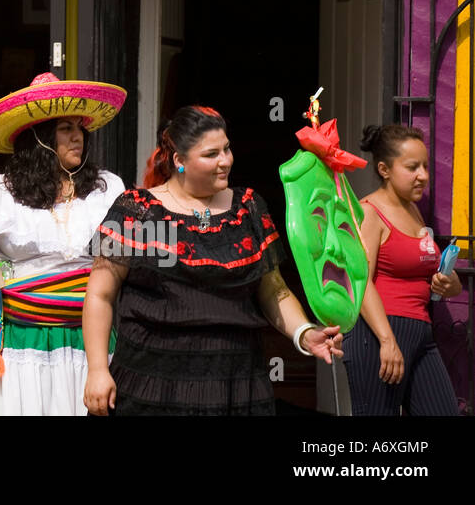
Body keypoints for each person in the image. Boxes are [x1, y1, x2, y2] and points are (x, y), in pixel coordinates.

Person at [82, 105, 343, 415]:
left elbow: (274, 291)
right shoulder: (140, 211)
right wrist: (98, 370)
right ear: (179, 161)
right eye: (211, 154)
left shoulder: (248, 208)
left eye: (227, 149)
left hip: (235, 382)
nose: (225, 161)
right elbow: (100, 294)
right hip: (153, 383)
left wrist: (304, 333)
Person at [0, 72, 127, 415]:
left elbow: (125, 264)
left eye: (79, 128)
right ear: (39, 138)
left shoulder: (106, 189)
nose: (78, 137)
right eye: (65, 129)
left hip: (90, 340)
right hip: (22, 340)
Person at [343, 124, 461, 415]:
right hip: (377, 335)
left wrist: (451, 283)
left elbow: (436, 274)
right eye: (412, 167)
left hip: (421, 334)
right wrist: (387, 340)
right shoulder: (369, 211)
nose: (423, 175)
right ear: (384, 169)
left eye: (425, 166)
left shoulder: (413, 210)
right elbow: (359, 281)